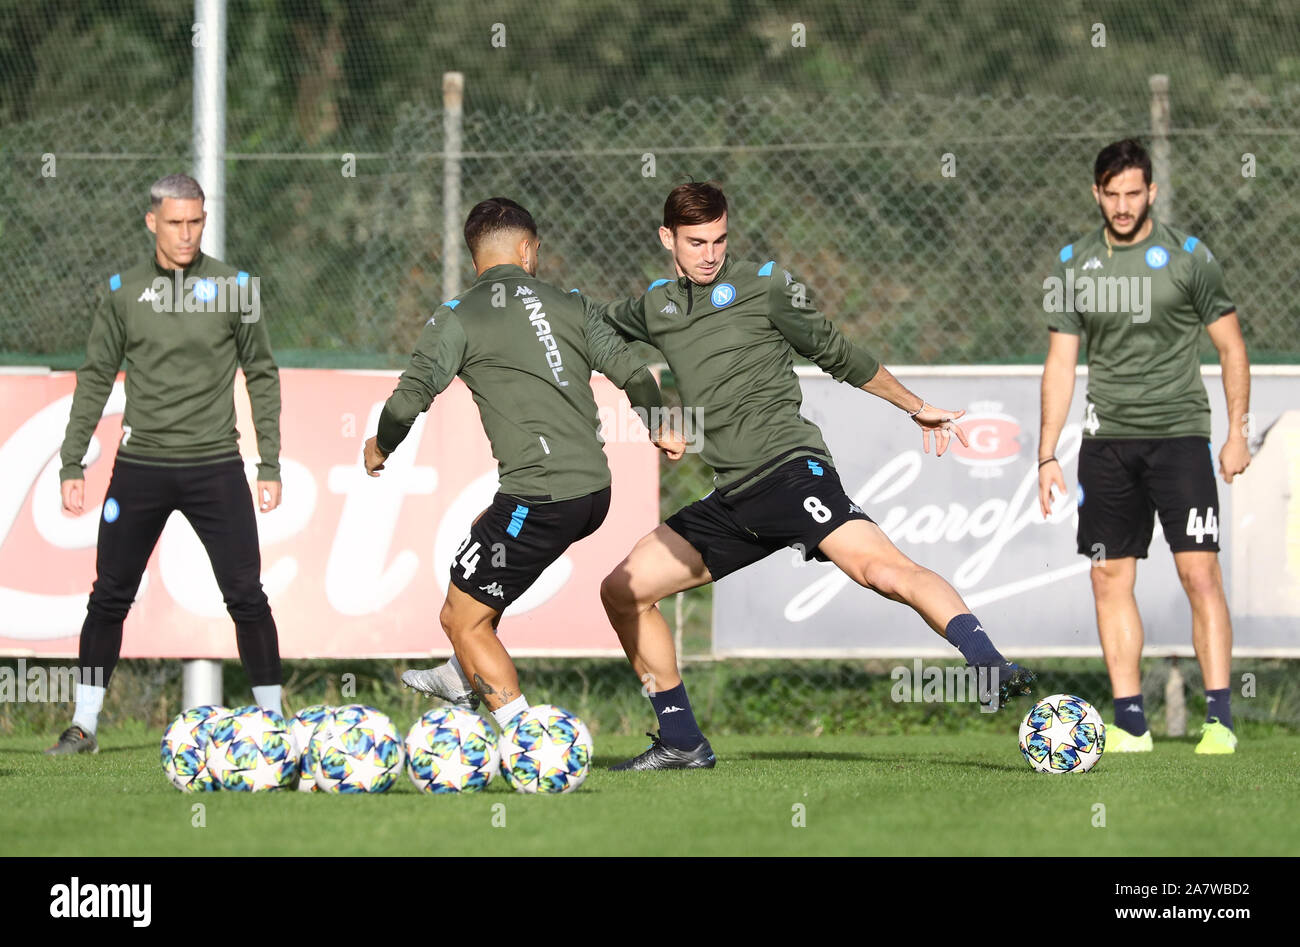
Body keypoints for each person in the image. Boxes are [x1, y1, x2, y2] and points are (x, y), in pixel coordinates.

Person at [591, 181, 1035, 770]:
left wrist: (914, 403)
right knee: (622, 591)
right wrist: (648, 409)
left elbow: (837, 351)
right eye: (696, 242)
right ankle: (681, 740)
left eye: (720, 239)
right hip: (733, 500)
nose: (710, 254)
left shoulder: (765, 286)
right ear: (666, 238)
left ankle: (989, 665)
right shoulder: (657, 306)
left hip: (790, 474)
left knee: (882, 570)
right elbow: (592, 331)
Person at [371, 197, 682, 728]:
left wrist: (380, 446)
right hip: (590, 494)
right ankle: (458, 671)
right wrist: (658, 426)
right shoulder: (572, 305)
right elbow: (634, 373)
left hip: (540, 498)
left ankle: (528, 742)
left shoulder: (457, 316)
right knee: (479, 541)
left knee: (459, 619)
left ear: (476, 261)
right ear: (527, 248)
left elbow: (408, 398)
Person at [49, 173, 284, 755]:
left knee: (247, 595)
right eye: (175, 222)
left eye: (196, 222)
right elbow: (96, 376)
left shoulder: (236, 288)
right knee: (108, 596)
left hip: (216, 466)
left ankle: (276, 723)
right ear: (151, 221)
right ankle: (84, 727)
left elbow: (263, 373)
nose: (187, 234)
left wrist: (270, 462)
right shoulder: (123, 291)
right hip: (139, 468)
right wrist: (71, 461)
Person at [1037, 138, 1250, 755]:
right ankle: (1130, 721)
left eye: (1135, 193)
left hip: (1181, 438)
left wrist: (1237, 431)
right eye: (1113, 194)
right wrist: (1047, 453)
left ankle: (1219, 719)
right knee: (1108, 579)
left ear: (1151, 192)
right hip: (1107, 446)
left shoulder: (1189, 258)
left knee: (1199, 574)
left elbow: (1232, 348)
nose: (1124, 205)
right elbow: (1060, 362)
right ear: (1096, 194)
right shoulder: (1074, 262)